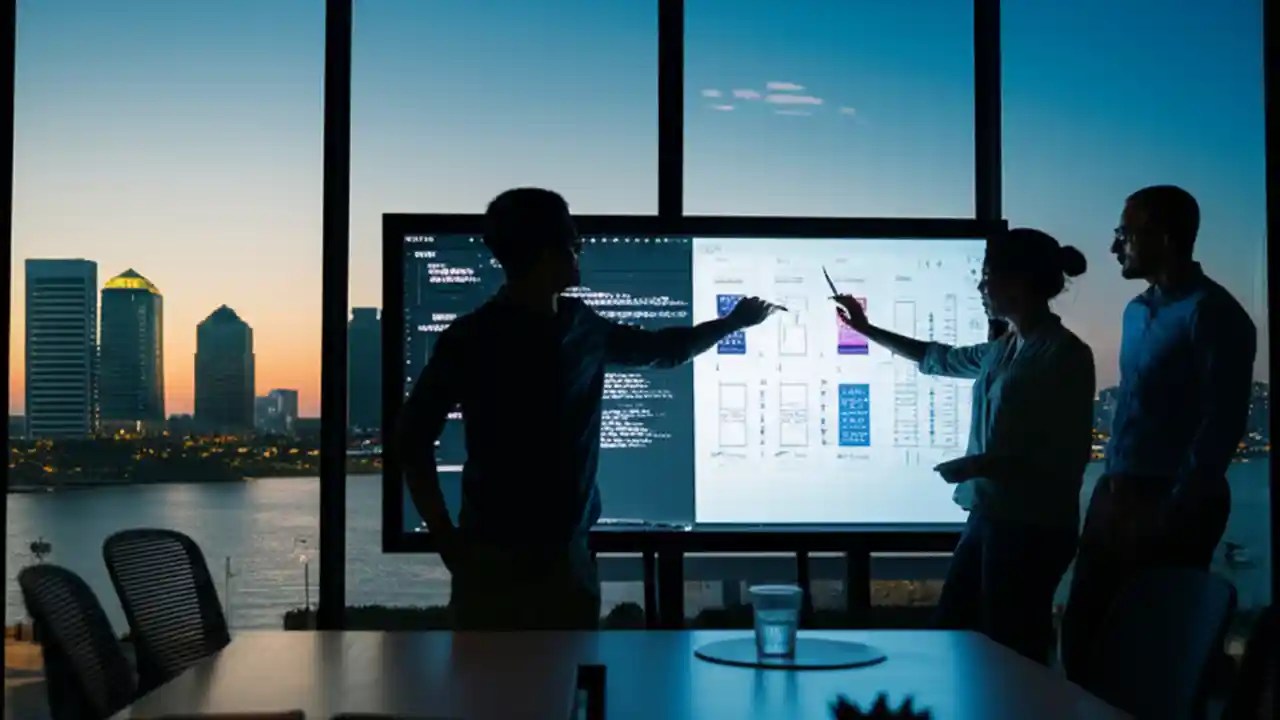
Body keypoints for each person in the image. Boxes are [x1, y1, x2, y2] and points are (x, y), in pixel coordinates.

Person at [398, 187, 781, 631]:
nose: (580, 252)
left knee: (501, 691)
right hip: (508, 566)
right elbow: (412, 438)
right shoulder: (539, 333)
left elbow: (663, 350)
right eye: (573, 244)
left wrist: (447, 538)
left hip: (536, 560)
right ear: (546, 253)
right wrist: (446, 541)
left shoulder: (496, 334)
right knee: (545, 688)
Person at [833, 228, 1095, 664]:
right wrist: (866, 329)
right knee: (959, 636)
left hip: (1032, 528)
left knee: (1010, 651)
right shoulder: (1004, 349)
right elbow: (938, 358)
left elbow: (1065, 457)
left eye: (987, 276)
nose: (980, 287)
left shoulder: (1064, 355)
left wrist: (983, 463)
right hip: (990, 518)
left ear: (1018, 282)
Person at [1062, 185, 1256, 684]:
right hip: (1117, 491)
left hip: (1167, 500)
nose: (1113, 247)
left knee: (1150, 653)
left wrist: (1177, 506)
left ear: (1165, 238)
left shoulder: (1213, 313)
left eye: (1124, 234)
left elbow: (1223, 420)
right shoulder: (1134, 311)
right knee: (1082, 639)